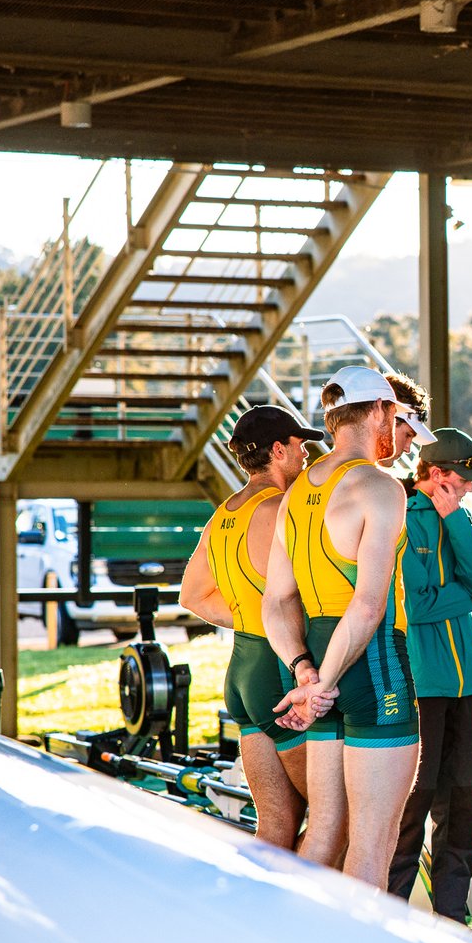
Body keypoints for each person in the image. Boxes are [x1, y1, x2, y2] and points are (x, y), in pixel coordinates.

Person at [261, 366, 420, 888]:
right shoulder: (379, 487)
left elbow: (278, 601)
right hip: (370, 668)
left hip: (315, 663)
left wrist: (305, 674)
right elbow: (370, 605)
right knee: (372, 847)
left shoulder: (296, 491)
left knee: (326, 829)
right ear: (379, 411)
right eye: (393, 415)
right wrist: (325, 685)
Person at [177, 405, 323, 850]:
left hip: (243, 671)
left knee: (275, 830)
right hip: (280, 672)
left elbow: (192, 596)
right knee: (334, 821)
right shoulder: (282, 508)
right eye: (301, 446)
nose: (307, 456)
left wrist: (249, 617)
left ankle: (262, 917)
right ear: (278, 451)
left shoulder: (224, 513)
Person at [386, 429, 472, 922]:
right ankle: (390, 913)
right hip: (423, 681)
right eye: (464, 478)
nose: (471, 487)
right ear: (435, 475)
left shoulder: (460, 516)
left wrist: (456, 522)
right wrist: (467, 596)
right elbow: (418, 604)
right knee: (417, 799)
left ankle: (452, 914)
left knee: (464, 799)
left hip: (465, 682)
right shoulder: (400, 517)